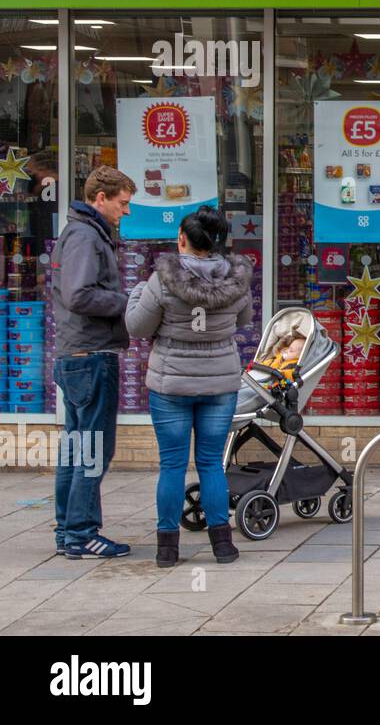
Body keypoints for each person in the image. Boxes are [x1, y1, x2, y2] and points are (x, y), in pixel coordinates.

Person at [125, 205, 253, 568]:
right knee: (211, 464)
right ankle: (223, 545)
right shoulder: (236, 278)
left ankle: (167, 548)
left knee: (172, 465)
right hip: (220, 382)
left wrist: (136, 295)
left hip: (171, 382)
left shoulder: (161, 279)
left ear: (181, 238)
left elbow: (137, 326)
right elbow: (243, 319)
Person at [51, 165, 136, 558]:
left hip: (77, 353)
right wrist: (128, 302)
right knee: (94, 449)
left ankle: (68, 530)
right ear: (100, 199)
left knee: (76, 448)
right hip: (90, 355)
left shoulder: (81, 233)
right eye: (122, 203)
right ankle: (82, 532)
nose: (127, 212)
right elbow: (79, 295)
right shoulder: (86, 237)